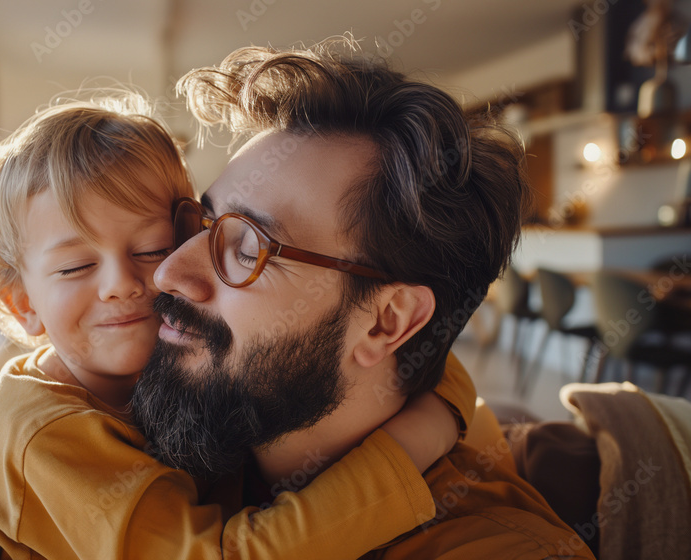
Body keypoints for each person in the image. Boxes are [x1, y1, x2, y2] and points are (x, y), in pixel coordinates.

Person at [0, 94, 479, 560]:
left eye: (154, 248)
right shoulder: (41, 436)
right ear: (23, 303)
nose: (128, 283)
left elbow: (407, 349)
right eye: (76, 267)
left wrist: (446, 392)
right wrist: (422, 432)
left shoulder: (179, 376)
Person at [128, 39, 596, 558]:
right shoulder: (191, 438)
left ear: (385, 323)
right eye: (207, 221)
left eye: (248, 247)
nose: (169, 272)